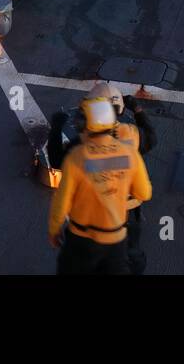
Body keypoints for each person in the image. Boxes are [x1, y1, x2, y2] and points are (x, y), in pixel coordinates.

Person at [47, 88, 152, 275]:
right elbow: (144, 193)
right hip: (119, 236)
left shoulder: (77, 154)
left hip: (82, 239)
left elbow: (61, 201)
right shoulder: (131, 148)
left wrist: (54, 230)